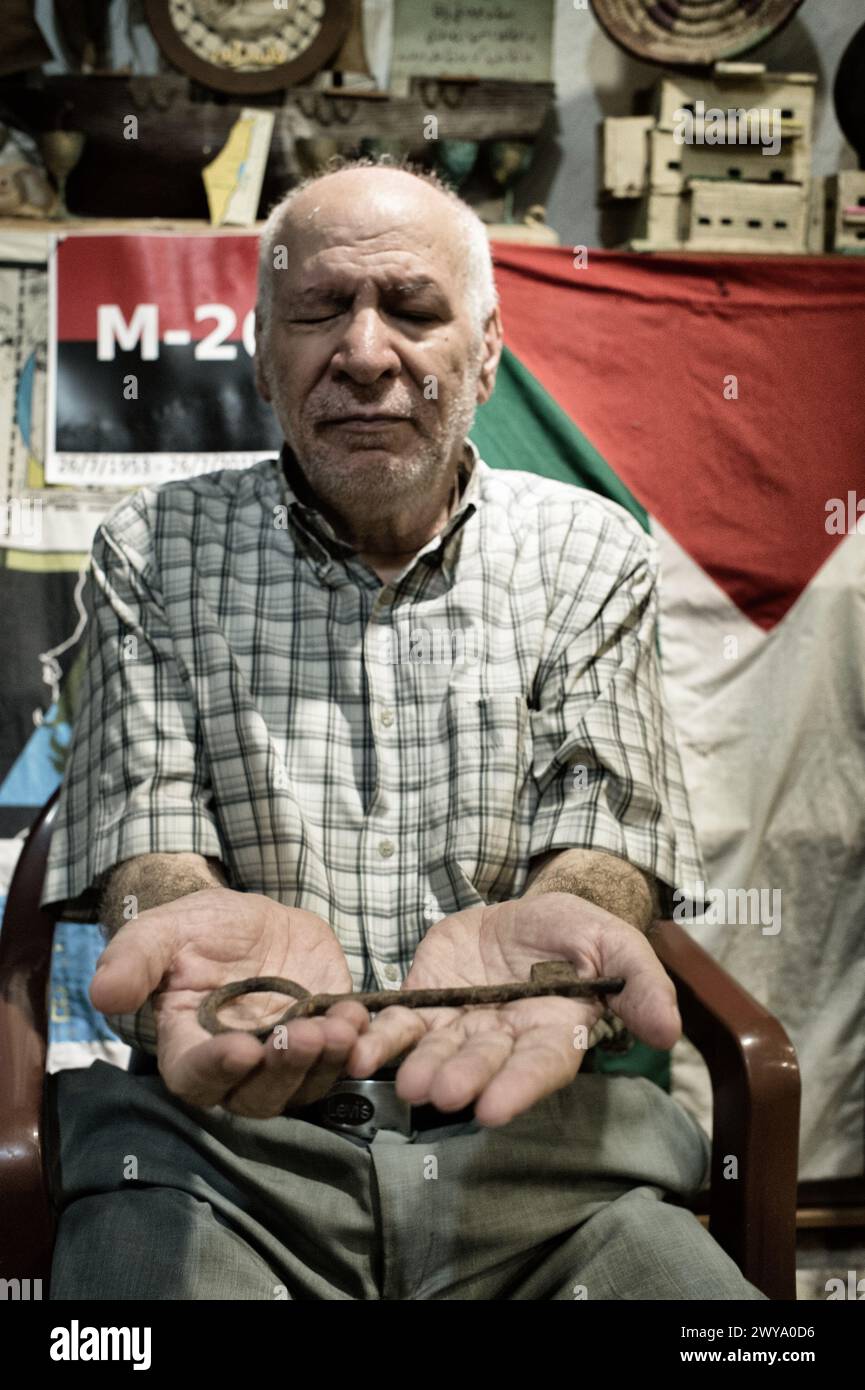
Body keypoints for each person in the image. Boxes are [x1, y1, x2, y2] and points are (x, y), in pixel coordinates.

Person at [41, 157, 767, 1301]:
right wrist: (185, 920)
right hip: (218, 1157)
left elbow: (601, 830)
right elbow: (152, 833)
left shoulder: (590, 554)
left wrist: (569, 920)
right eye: (319, 311)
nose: (367, 353)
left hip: (548, 1164)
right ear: (263, 352)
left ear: (483, 352)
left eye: (413, 312)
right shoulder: (155, 548)